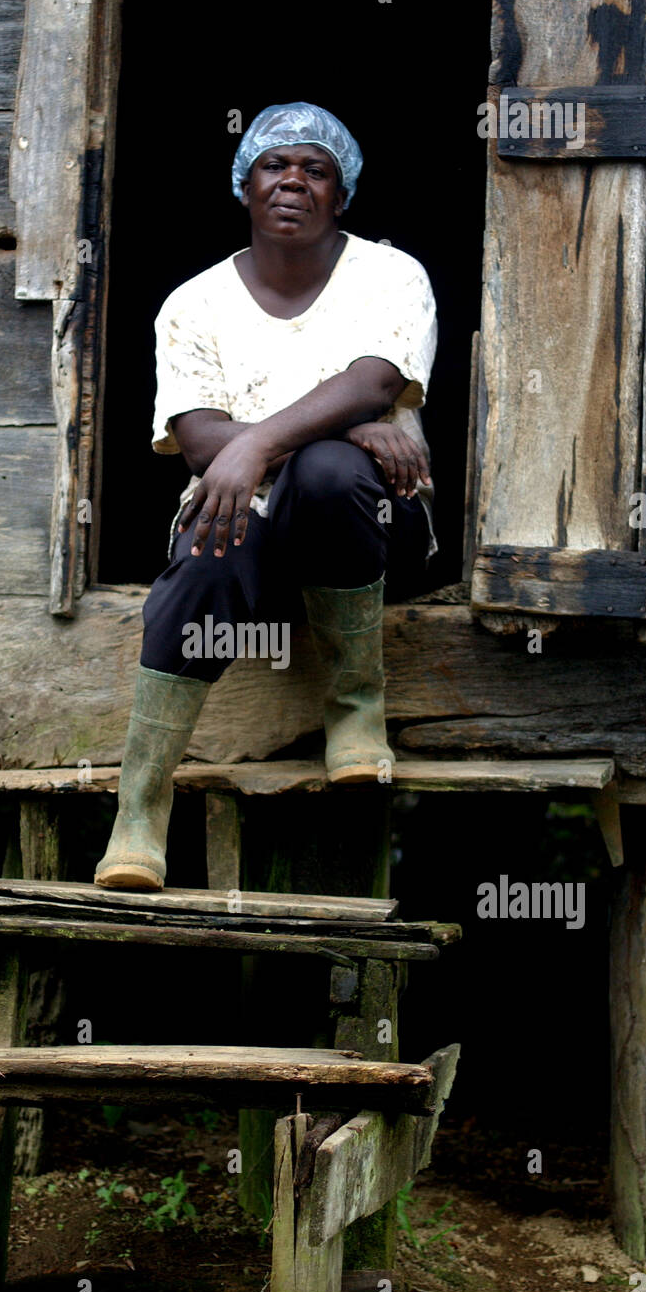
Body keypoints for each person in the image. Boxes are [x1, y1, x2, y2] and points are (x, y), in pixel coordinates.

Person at [95, 102, 438, 891]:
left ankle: (353, 710)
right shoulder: (193, 303)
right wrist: (337, 428)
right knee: (203, 562)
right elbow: (199, 437)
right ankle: (139, 812)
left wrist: (262, 442)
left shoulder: (390, 275)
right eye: (272, 167)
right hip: (244, 530)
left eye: (314, 169)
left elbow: (374, 381)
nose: (293, 181)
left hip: (371, 525)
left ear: (340, 194)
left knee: (326, 474)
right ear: (243, 187)